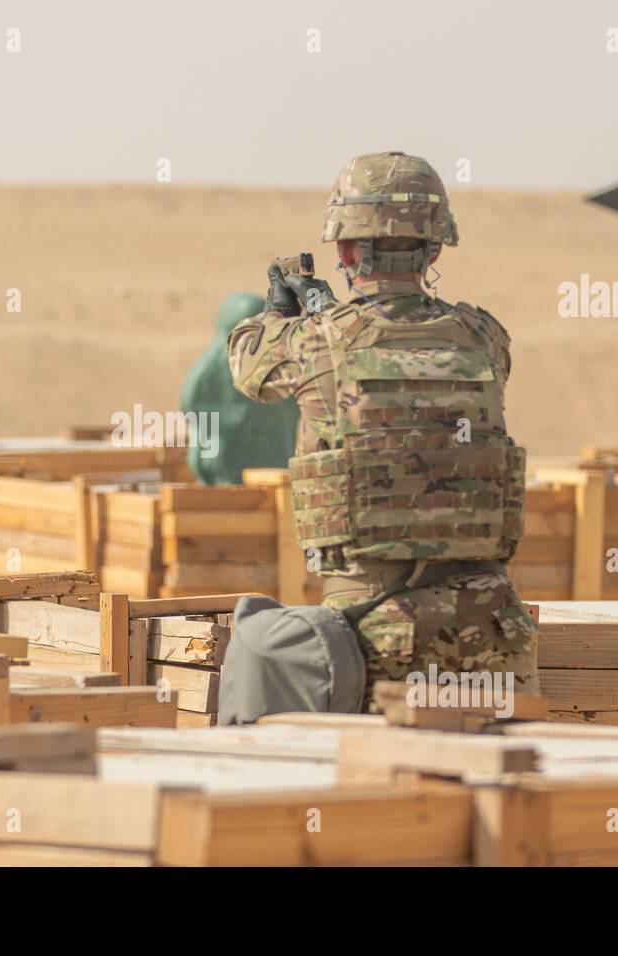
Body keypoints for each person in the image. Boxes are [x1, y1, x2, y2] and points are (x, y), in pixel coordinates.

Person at [227, 151, 538, 704]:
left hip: (375, 634)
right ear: (436, 246)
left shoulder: (314, 343)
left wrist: (282, 311)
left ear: (345, 249)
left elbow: (247, 363)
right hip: (496, 634)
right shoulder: (485, 336)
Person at [180, 292, 300, 484]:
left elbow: (191, 404)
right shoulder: (284, 367)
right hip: (243, 471)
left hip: (251, 469)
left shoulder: (211, 367)